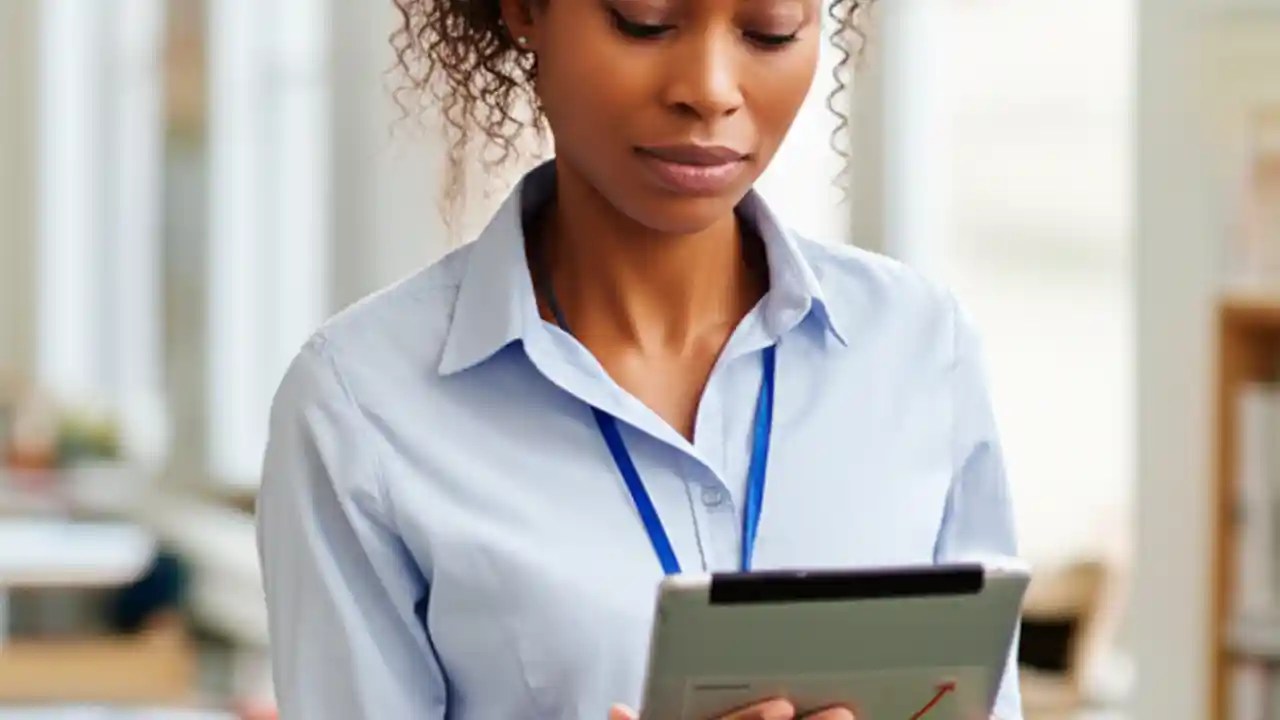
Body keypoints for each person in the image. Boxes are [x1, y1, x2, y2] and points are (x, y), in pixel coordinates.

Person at [255, 0, 1023, 718]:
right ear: (526, 10)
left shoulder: (922, 352)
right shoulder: (361, 406)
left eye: (769, 32)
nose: (711, 91)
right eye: (646, 22)